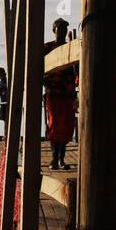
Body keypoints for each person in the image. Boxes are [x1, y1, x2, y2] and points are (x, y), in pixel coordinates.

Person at [42, 18, 78, 169]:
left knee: (66, 126)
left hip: (68, 95)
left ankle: (62, 159)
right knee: (54, 126)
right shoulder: (47, 48)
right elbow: (39, 69)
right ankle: (54, 159)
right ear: (54, 30)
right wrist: (47, 84)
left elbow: (77, 69)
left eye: (64, 29)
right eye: (60, 29)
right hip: (53, 94)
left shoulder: (71, 47)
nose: (62, 31)